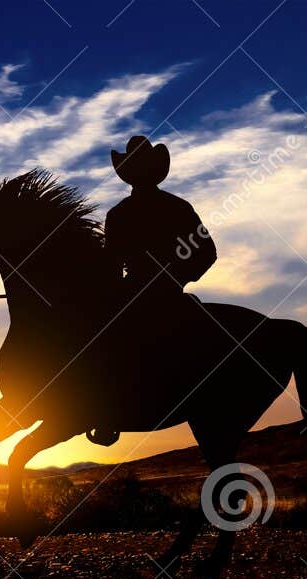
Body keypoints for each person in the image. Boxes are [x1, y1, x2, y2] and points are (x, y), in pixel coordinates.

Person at [84, 136, 218, 447]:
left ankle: (107, 413)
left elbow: (206, 252)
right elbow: (112, 264)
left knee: (107, 341)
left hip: (163, 293)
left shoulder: (169, 209)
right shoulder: (124, 214)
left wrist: (175, 276)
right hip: (138, 292)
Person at [105, 135, 216, 306]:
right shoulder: (178, 207)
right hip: (160, 292)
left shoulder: (118, 214)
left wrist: (175, 277)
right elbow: (207, 253)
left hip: (138, 295)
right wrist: (177, 277)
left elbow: (112, 266)